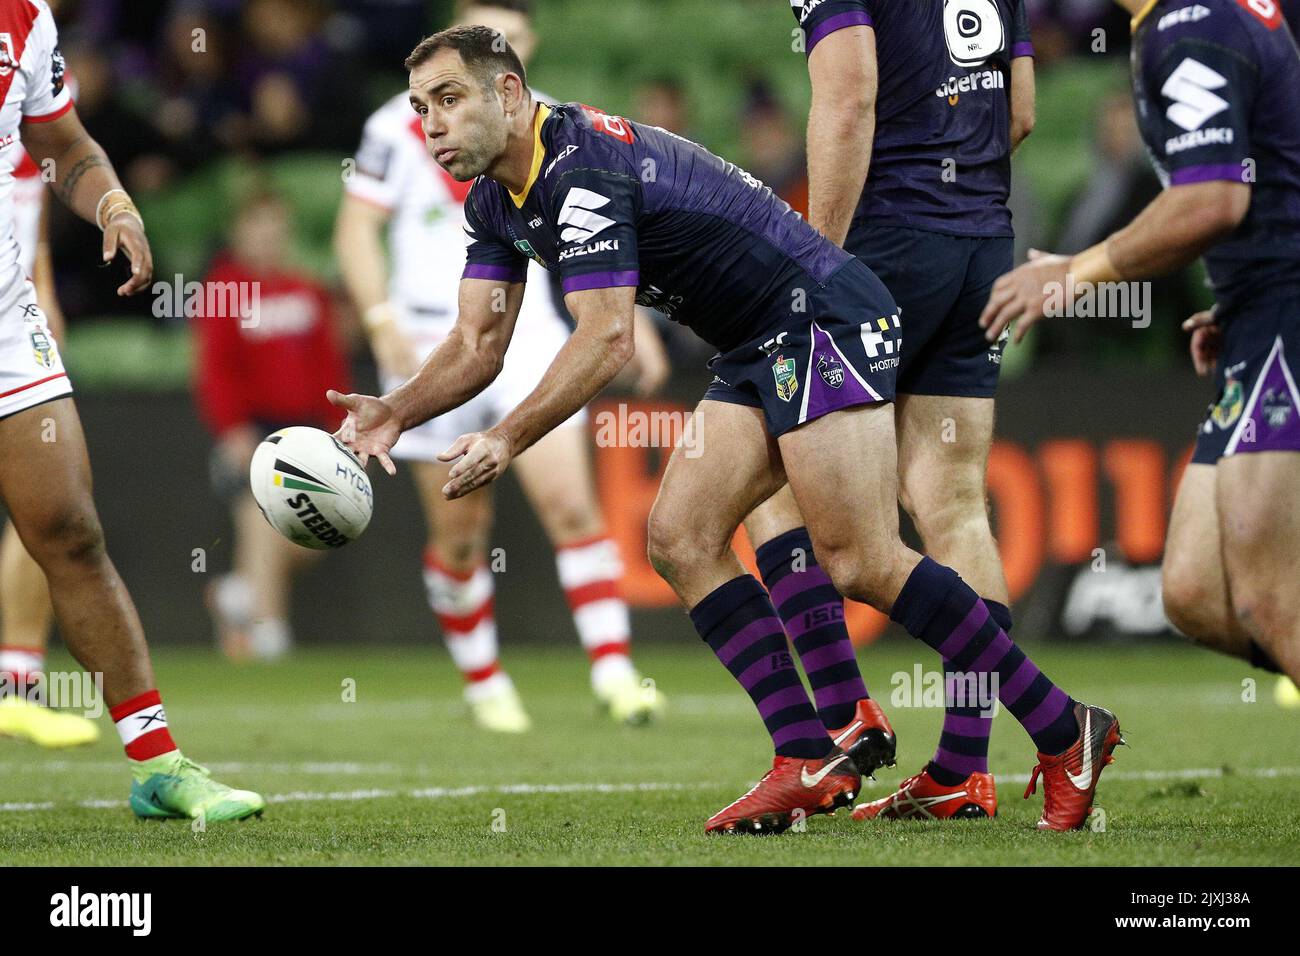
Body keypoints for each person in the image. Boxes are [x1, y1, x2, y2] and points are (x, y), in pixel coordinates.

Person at [330, 25, 1122, 832]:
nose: (431, 124)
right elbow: (476, 343)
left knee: (858, 559)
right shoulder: (499, 201)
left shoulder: (581, 166)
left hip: (822, 318)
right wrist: (396, 411)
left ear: (506, 92)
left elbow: (606, 338)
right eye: (422, 107)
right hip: (760, 338)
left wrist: (507, 437)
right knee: (679, 535)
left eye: (450, 99)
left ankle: (1064, 728)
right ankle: (806, 755)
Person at [333, 0, 666, 732]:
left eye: (509, 40)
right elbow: (355, 227)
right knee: (459, 530)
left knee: (572, 506)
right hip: (429, 340)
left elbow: (600, 229)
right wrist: (380, 319)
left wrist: (629, 315)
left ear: (524, 51)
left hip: (535, 326)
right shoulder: (397, 123)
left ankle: (615, 674)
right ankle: (485, 682)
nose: (499, 49)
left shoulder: (559, 127)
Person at [749, 0, 1036, 822]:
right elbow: (1020, 113)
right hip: (982, 241)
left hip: (884, 239)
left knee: (763, 475)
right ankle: (962, 769)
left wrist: (817, 264)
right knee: (953, 505)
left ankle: (841, 717)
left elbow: (847, 102)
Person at [981, 0, 1300, 702]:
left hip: (1284, 313)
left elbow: (1212, 198)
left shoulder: (1191, 25)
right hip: (1257, 313)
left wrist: (1074, 272)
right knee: (1193, 588)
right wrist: (1236, 292)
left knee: (1269, 602)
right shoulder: (1197, 20)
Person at [0, 0, 261, 820]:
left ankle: (159, 766)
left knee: (70, 530)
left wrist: (111, 203)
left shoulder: (25, 17)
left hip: (7, 322)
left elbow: (64, 144)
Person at [197, 189, 350, 662]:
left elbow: (329, 365)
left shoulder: (307, 290)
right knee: (263, 523)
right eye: (256, 227)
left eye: (274, 227)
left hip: (304, 432)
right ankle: (268, 629)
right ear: (240, 233)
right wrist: (232, 429)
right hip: (252, 430)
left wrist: (340, 426)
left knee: (312, 535)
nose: (266, 237)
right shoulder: (224, 289)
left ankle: (238, 594)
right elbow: (214, 369)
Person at [0, 134, 99, 748]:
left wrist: (44, 289)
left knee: (56, 503)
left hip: (12, 312)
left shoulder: (33, 47)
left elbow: (28, 190)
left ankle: (17, 681)